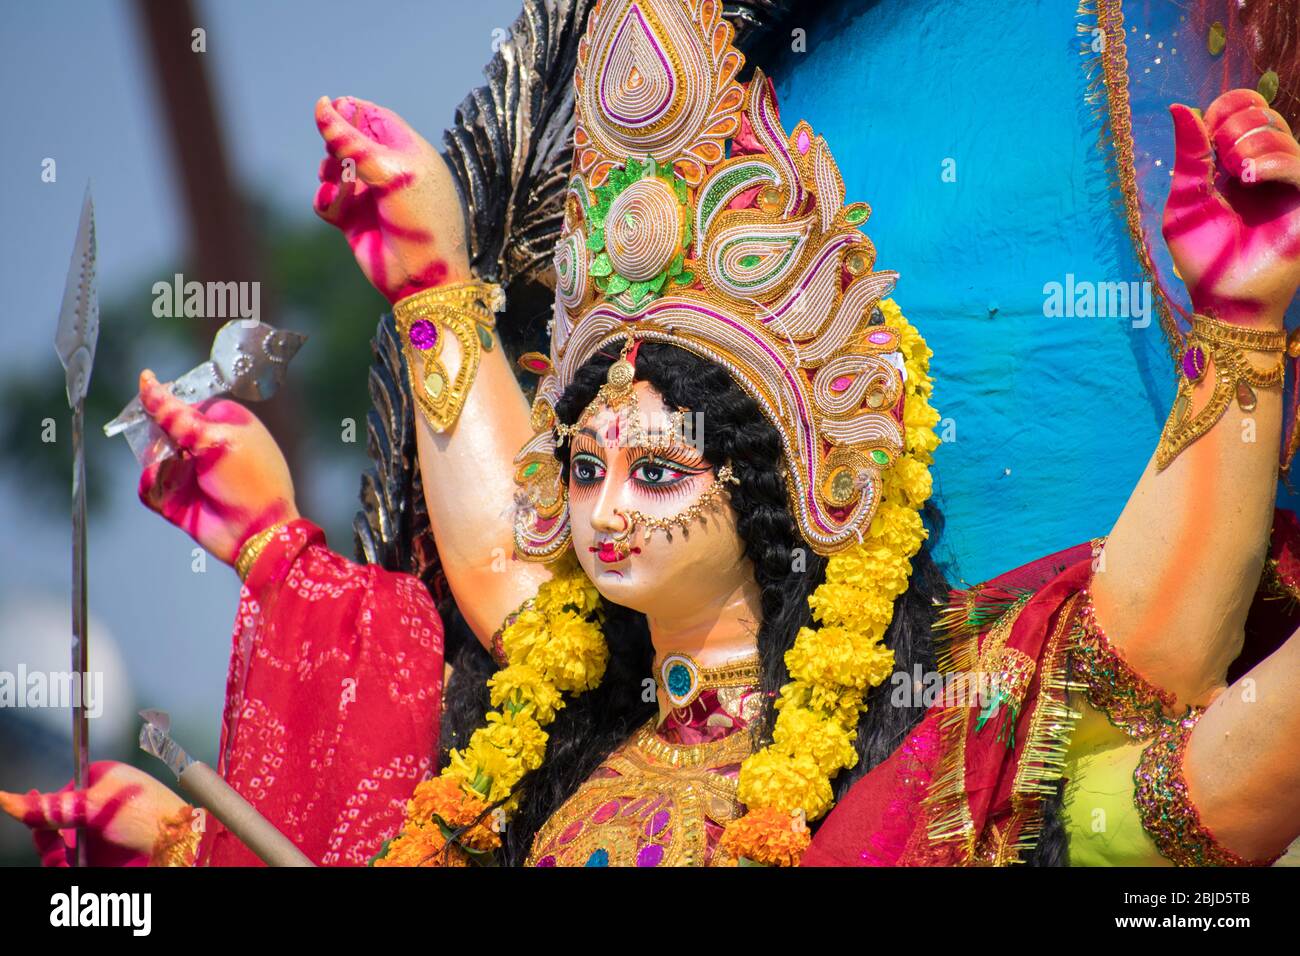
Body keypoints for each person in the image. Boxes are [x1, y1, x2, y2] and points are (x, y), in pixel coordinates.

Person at [5, 0, 1300, 867]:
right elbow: (513, 585)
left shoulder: (907, 775)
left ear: (782, 491)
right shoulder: (548, 782)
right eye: (586, 469)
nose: (606, 507)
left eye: (656, 469)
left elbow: (1155, 732)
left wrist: (1240, 325)